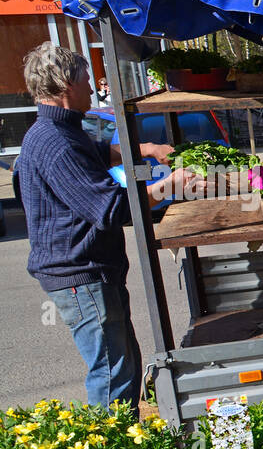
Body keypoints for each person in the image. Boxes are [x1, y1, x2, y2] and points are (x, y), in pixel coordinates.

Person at [16, 43, 193, 413]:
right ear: (65, 84)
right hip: (81, 276)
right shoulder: (55, 143)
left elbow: (95, 153)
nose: (92, 88)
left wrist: (148, 148)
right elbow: (112, 208)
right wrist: (169, 186)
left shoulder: (59, 130)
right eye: (85, 80)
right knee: (114, 372)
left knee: (123, 361)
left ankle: (123, 441)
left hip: (89, 272)